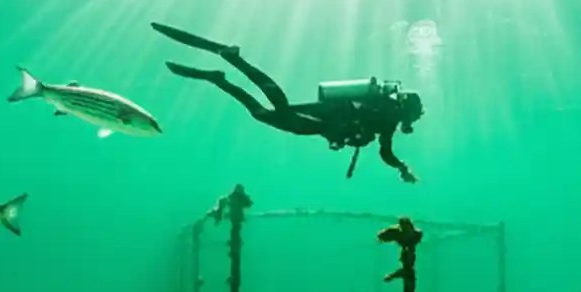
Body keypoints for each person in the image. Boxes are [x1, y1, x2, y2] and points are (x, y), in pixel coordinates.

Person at [151, 22, 423, 183]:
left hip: (322, 125)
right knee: (279, 108)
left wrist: (401, 167)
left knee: (262, 114)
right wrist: (401, 167)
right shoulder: (387, 112)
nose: (412, 120)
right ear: (407, 109)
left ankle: (218, 78)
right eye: (414, 115)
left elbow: (385, 153)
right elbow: (380, 145)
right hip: (326, 119)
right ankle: (233, 59)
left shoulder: (389, 119)